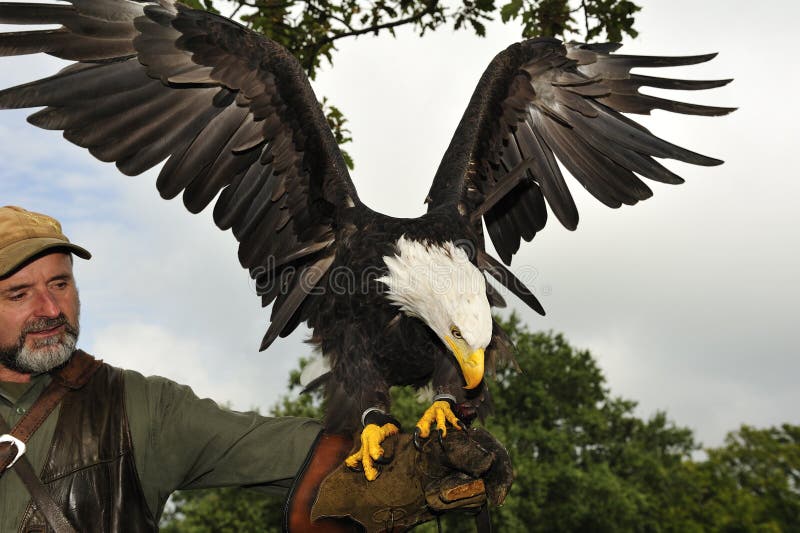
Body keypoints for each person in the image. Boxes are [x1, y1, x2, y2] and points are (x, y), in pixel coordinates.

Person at [0, 205, 512, 532]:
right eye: (18, 293)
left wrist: (417, 465)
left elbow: (295, 454)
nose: (49, 308)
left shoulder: (135, 410)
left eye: (61, 284)